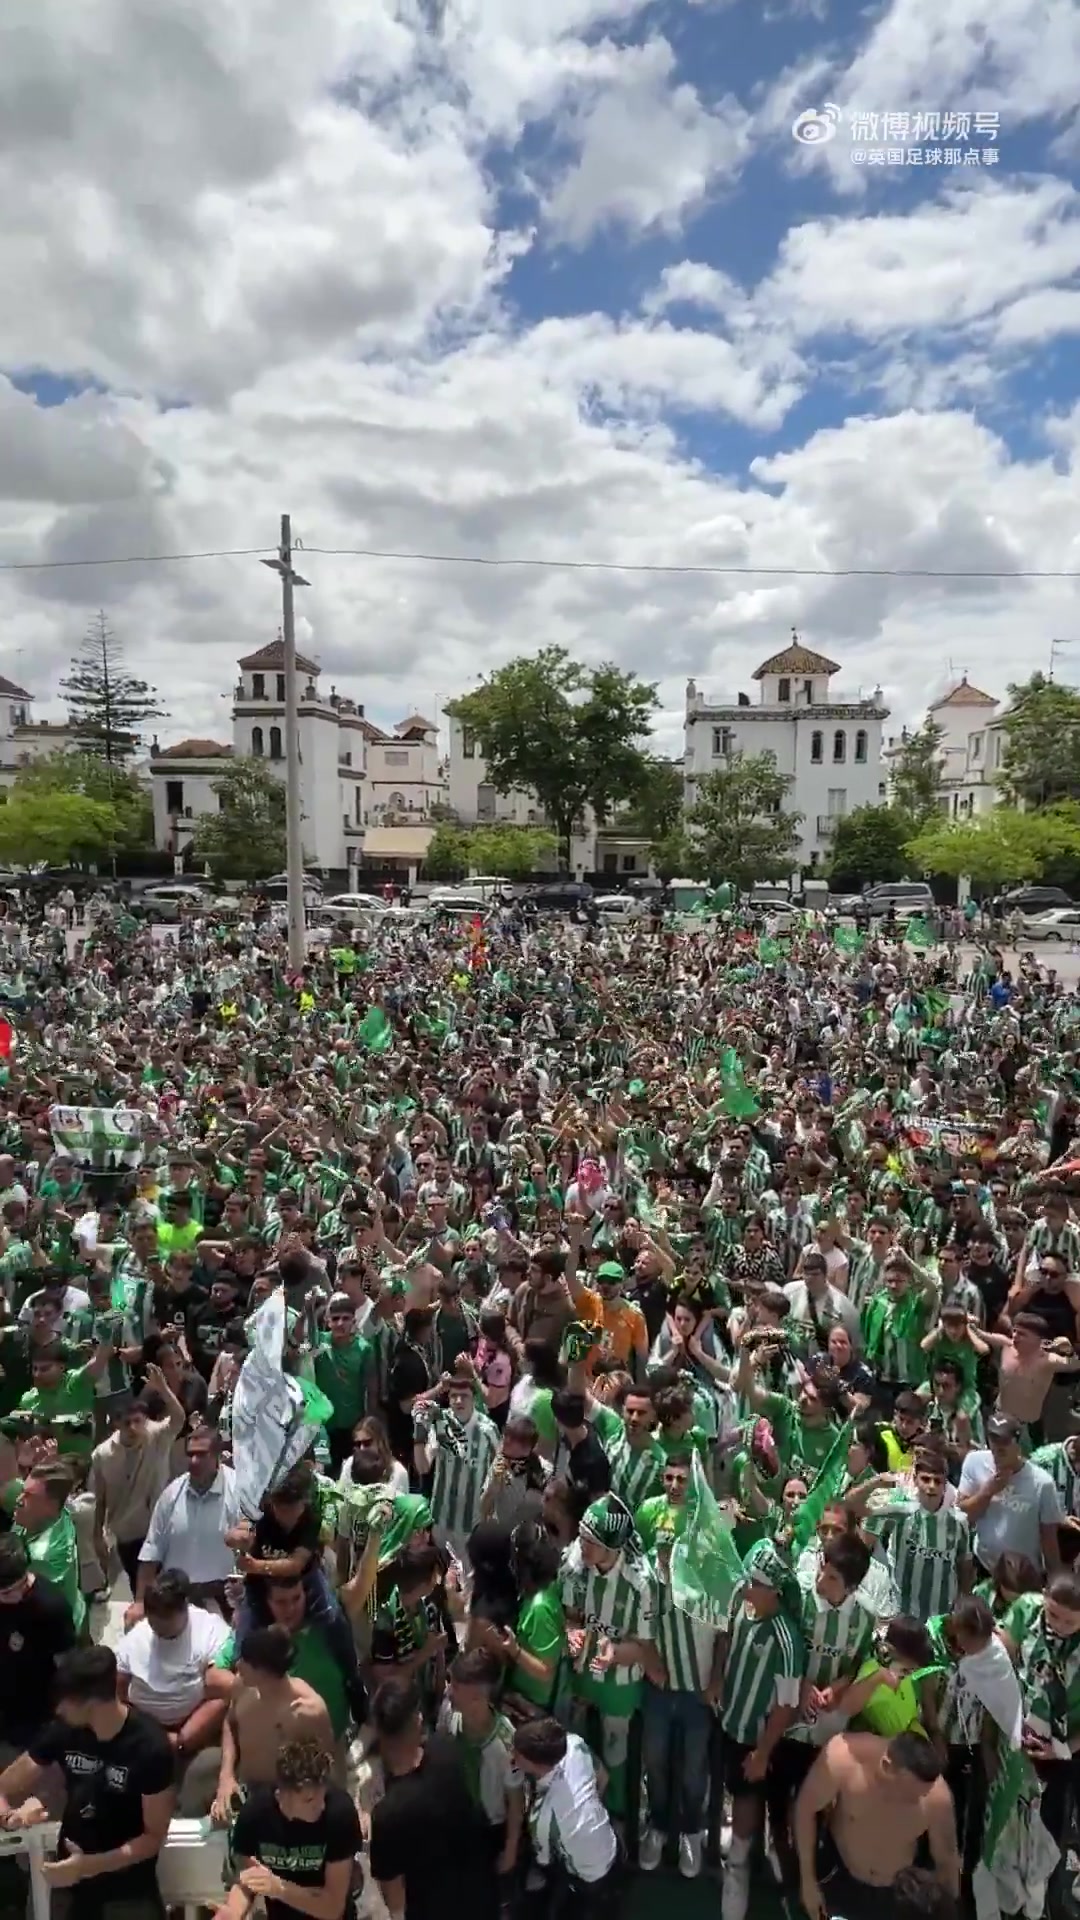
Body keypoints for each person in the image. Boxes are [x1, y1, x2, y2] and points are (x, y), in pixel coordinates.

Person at [0, 1644, 175, 1918]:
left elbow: (153, 1837)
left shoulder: (150, 1746)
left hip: (127, 1887)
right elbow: (4, 1784)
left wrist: (89, 1866)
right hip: (71, 1882)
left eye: (65, 1700)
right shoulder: (64, 1731)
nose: (58, 1709)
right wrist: (9, 1817)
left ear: (90, 1703)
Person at [368, 1677, 500, 1920]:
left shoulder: (387, 1815)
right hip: (478, 1893)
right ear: (417, 1721)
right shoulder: (447, 1751)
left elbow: (395, 1899)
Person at [794, 1730, 960, 1920]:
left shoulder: (937, 1799)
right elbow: (805, 1808)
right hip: (839, 1873)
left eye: (923, 1794)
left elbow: (947, 1861)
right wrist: (807, 1881)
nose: (917, 1801)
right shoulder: (843, 1759)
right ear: (887, 1767)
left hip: (894, 1894)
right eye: (910, 1795)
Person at [115, 1567, 231, 1815]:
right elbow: (117, 1693)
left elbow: (223, 1696)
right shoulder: (136, 1637)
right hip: (145, 1734)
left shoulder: (211, 1630)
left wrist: (182, 1740)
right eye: (154, 1620)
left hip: (196, 1736)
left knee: (198, 1786)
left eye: (166, 1620)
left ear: (184, 1607)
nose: (159, 1627)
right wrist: (149, 1735)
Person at [217, 1736, 362, 1920]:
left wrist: (280, 1889)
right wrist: (232, 1913)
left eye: (323, 1795)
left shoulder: (338, 1814)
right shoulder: (255, 1815)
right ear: (281, 1796)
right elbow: (248, 1882)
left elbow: (333, 1908)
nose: (321, 1805)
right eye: (309, 1800)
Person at [89, 1371, 187, 1596]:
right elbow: (100, 1499)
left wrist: (163, 1389)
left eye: (138, 1421)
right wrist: (97, 1534)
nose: (133, 1428)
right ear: (116, 1423)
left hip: (162, 1528)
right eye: (127, 1423)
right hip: (128, 1533)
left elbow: (178, 1418)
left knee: (168, 1589)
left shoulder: (157, 1437)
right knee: (141, 1590)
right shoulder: (103, 1455)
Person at [513, 1715, 620, 1916]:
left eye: (518, 1755)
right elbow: (603, 1777)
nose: (513, 1756)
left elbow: (545, 1861)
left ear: (536, 1764)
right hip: (614, 1848)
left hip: (588, 1880)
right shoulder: (575, 1744)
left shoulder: (542, 1818)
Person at [133, 1426, 241, 1619]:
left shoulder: (238, 1492)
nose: (194, 1461)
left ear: (217, 1455)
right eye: (190, 1454)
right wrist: (140, 1602)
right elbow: (152, 1552)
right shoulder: (171, 1495)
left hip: (225, 1597)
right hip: (177, 1597)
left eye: (201, 1455)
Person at [0, 1535, 78, 1762]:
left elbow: (67, 1666)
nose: (5, 1598)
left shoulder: (50, 1606)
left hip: (37, 1709)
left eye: (8, 1592)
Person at [958, 1412, 1063, 1576]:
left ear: (1018, 1443)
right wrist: (988, 1491)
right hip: (984, 1566)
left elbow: (1049, 1540)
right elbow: (962, 1518)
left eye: (1005, 1441)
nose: (998, 1447)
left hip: (1022, 1575)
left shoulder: (1042, 1483)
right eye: (993, 1439)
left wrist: (1055, 1579)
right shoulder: (974, 1462)